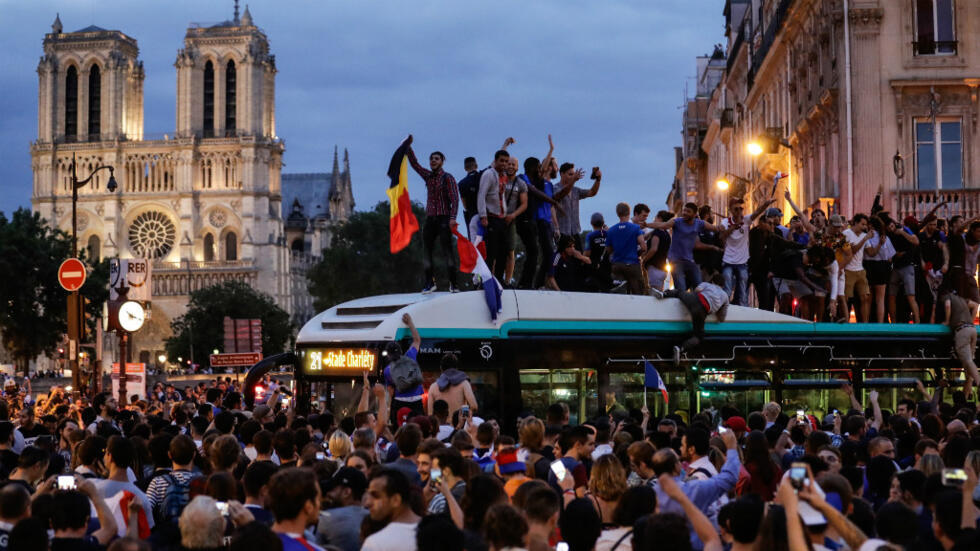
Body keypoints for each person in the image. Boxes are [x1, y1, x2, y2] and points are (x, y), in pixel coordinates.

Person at [405, 135, 460, 294]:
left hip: (444, 218)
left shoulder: (448, 178)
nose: (433, 161)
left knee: (447, 251)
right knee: (427, 251)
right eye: (431, 159)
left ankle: (453, 284)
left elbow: (454, 199)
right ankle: (430, 282)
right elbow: (415, 165)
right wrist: (408, 148)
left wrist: (452, 218)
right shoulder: (428, 176)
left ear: (442, 161)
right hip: (430, 218)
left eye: (436, 159)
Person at [650, 202, 724, 292]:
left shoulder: (699, 223)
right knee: (681, 287)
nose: (684, 213)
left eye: (688, 211)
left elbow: (715, 228)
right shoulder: (677, 222)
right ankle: (672, 294)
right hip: (676, 261)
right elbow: (663, 225)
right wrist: (646, 224)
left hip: (689, 260)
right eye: (684, 210)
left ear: (694, 214)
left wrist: (721, 228)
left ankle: (694, 302)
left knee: (699, 286)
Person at [721, 198, 775, 306]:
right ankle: (724, 309)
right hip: (728, 260)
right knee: (727, 288)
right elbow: (722, 236)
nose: (739, 211)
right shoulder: (725, 222)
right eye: (736, 209)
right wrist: (733, 228)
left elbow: (757, 212)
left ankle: (743, 314)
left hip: (742, 262)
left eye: (741, 208)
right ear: (731, 210)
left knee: (743, 291)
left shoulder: (746, 220)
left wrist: (765, 204)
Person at [664, 273, 729, 351]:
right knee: (698, 336)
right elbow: (722, 317)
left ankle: (664, 294)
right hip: (702, 311)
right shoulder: (725, 296)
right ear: (723, 286)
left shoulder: (707, 284)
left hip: (694, 299)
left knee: (679, 292)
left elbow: (697, 290)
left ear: (712, 281)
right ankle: (680, 348)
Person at [50, 479, 119, 550]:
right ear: (86, 522)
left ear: (51, 523)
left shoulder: (42, 546)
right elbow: (110, 527)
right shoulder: (89, 545)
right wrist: (94, 494)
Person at [362, 469, 421, 551]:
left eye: (375, 496)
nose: (367, 503)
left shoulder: (375, 544)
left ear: (396, 500)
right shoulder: (436, 532)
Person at [478, 150, 514, 280]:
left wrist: (505, 213)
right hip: (491, 217)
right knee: (491, 252)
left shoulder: (503, 176)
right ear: (496, 160)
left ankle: (499, 280)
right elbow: (481, 194)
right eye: (502, 161)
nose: (504, 164)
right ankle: (487, 280)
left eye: (506, 161)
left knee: (503, 252)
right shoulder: (489, 174)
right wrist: (483, 215)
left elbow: (501, 195)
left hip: (501, 218)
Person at [268, 468, 324, 551]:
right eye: (318, 499)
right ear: (308, 506)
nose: (320, 505)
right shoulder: (311, 549)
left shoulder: (251, 542)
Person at [316, 466, 368, 551]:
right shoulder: (375, 518)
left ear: (346, 492)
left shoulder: (327, 518)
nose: (329, 493)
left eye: (333, 489)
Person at [383, 313, 423, 420]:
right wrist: (410, 322)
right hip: (417, 400)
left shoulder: (387, 371)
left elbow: (391, 392)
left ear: (388, 355)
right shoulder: (410, 356)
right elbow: (417, 340)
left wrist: (389, 409)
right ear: (401, 351)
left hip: (400, 402)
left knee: (401, 431)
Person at [553, 163, 602, 250]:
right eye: (570, 174)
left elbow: (592, 192)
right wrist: (574, 180)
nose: (573, 176)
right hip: (562, 232)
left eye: (574, 174)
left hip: (575, 232)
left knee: (579, 261)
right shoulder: (555, 188)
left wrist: (598, 180)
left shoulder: (576, 190)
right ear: (561, 174)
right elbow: (561, 194)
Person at [941, 289, 979, 396]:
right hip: (972, 330)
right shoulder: (962, 299)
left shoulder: (947, 297)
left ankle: (979, 383)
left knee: (968, 361)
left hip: (962, 330)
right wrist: (971, 322)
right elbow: (976, 305)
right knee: (969, 362)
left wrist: (947, 321)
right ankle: (966, 395)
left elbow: (948, 305)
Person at [606, 203, 647, 295]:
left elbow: (608, 250)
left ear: (617, 214)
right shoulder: (635, 228)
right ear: (629, 213)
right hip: (632, 265)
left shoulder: (611, 230)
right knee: (638, 294)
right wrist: (637, 254)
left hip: (617, 265)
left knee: (619, 294)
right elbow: (644, 247)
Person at [426, 353, 478, 419]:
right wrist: (463, 418)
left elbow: (430, 414)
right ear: (457, 368)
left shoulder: (433, 387)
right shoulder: (464, 383)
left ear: (441, 368)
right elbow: (474, 406)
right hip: (459, 427)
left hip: (441, 427)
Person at [643, 210, 673, 293]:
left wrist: (644, 260)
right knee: (659, 294)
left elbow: (653, 249)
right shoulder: (667, 235)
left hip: (654, 268)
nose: (654, 220)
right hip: (663, 268)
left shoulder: (657, 233)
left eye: (655, 218)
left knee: (653, 295)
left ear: (659, 218)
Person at [585, 212, 613, 290]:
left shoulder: (590, 236)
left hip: (594, 266)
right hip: (607, 266)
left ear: (591, 223)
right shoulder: (609, 234)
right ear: (603, 223)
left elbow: (587, 253)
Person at [457, 156, 482, 238]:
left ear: (465, 168)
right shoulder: (483, 176)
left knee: (475, 245)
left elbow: (465, 204)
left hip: (472, 215)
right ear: (476, 166)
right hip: (487, 215)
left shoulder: (462, 183)